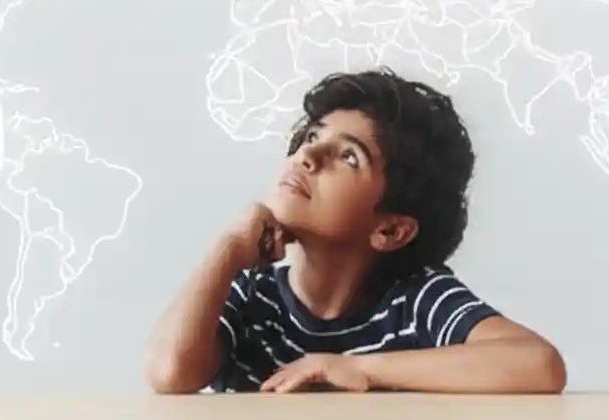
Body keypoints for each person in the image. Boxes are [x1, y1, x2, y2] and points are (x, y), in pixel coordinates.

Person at [144, 68, 566, 394]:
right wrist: (229, 247)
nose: (308, 154)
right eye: (312, 136)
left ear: (391, 230)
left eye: (348, 156)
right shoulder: (252, 294)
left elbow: (538, 365)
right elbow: (169, 372)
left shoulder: (415, 301)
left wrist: (358, 368)